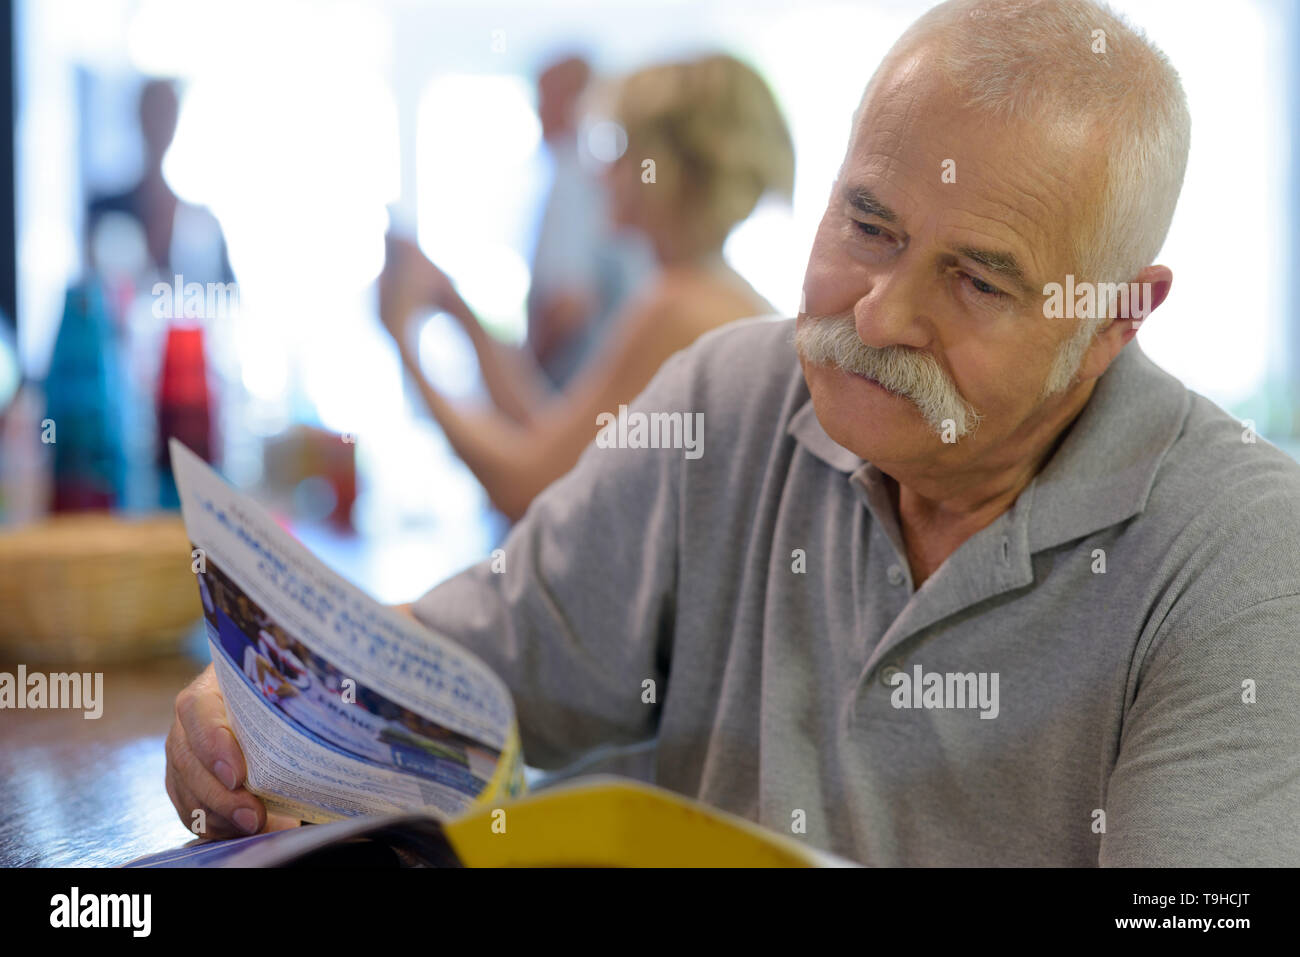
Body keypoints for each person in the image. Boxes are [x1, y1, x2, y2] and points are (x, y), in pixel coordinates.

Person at [165, 0, 1300, 865]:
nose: (878, 315)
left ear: (1114, 317)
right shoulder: (732, 399)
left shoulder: (1246, 554)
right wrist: (276, 699)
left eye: (976, 280)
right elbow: (480, 663)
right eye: (868, 224)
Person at [378, 52, 795, 521]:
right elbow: (558, 439)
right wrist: (458, 313)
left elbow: (527, 488)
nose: (600, 173)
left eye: (619, 148)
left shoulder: (677, 308)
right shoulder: (715, 295)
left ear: (663, 167)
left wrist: (401, 342)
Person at [525, 54, 656, 387]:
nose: (537, 111)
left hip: (570, 391)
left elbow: (567, 307)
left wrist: (520, 374)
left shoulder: (573, 177)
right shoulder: (593, 175)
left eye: (543, 98)